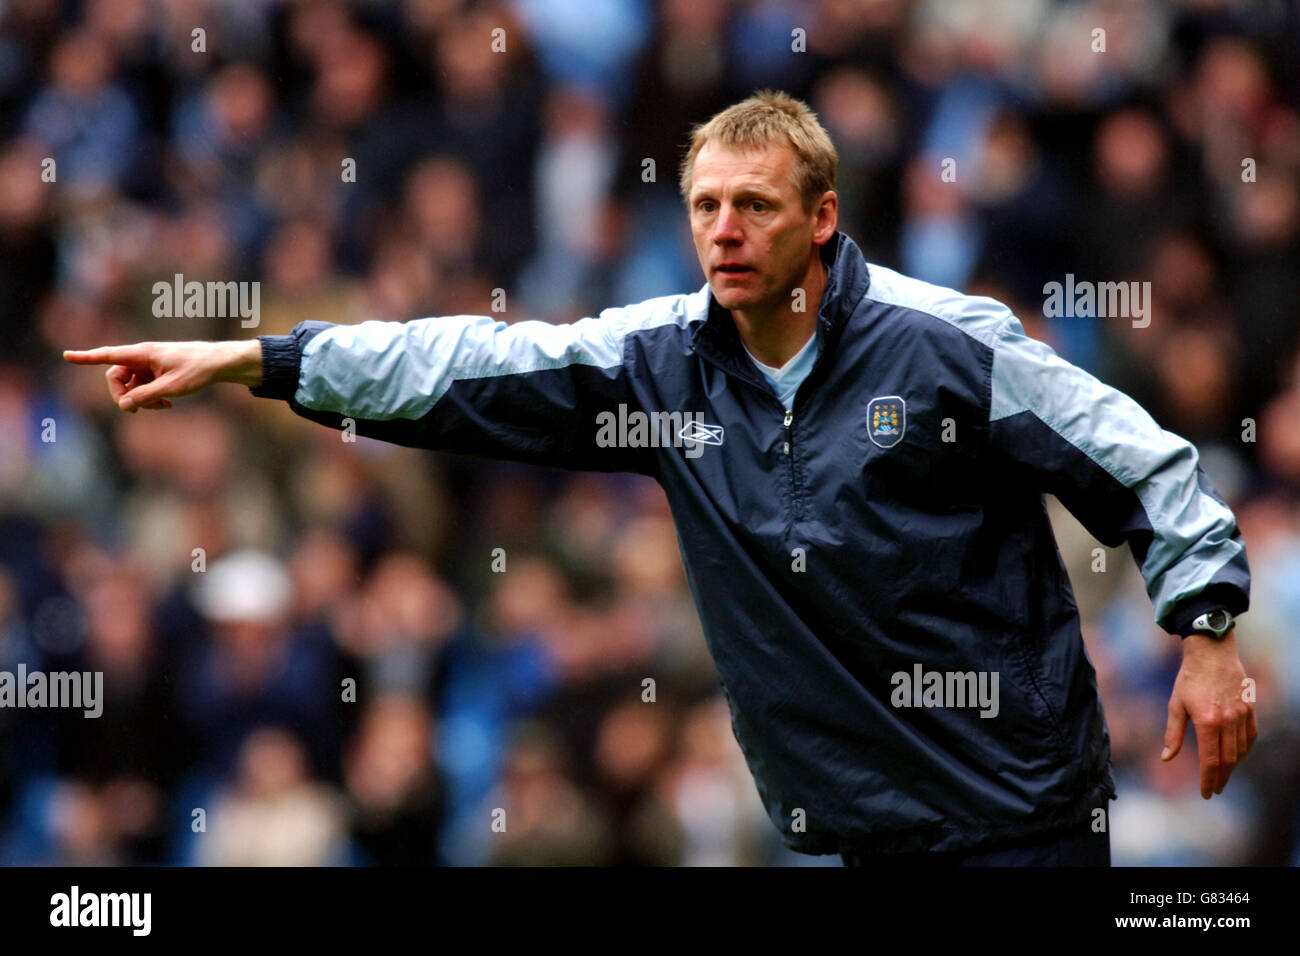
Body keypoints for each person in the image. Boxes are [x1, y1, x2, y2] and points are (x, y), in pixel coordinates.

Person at [64, 91, 1256, 867]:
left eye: (752, 205)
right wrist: (263, 358)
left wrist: (1204, 628)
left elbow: (1137, 457)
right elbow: (470, 357)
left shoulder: (951, 342)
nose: (723, 229)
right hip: (848, 829)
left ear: (823, 218)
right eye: (703, 207)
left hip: (1018, 818)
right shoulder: (655, 361)